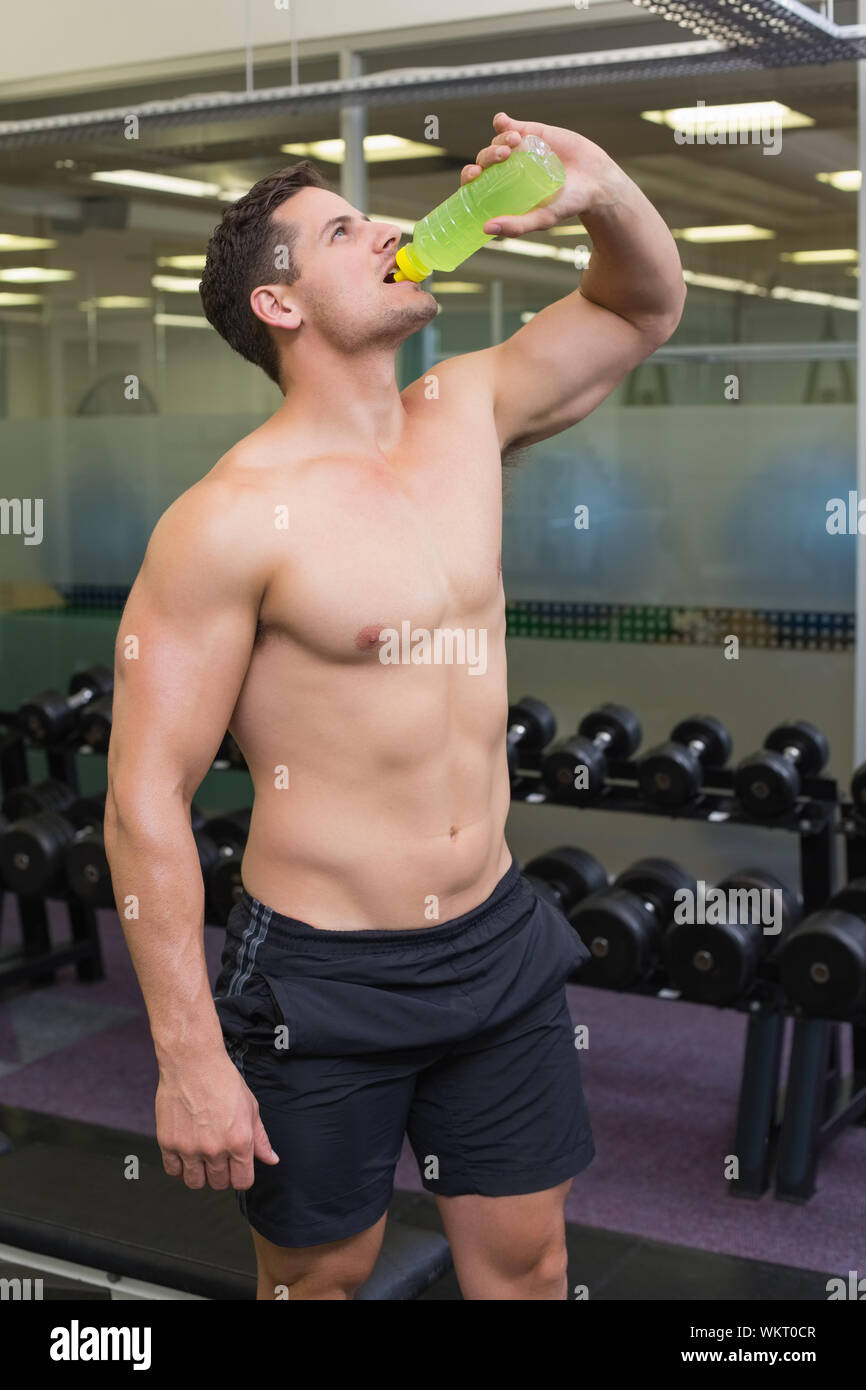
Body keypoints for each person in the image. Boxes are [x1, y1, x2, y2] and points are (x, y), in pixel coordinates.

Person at [104, 110, 685, 1300]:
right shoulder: (224, 521)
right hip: (323, 972)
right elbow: (143, 797)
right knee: (320, 1280)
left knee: (527, 1267)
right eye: (339, 231)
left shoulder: (464, 411)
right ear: (278, 304)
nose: (386, 232)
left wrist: (599, 188)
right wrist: (188, 1054)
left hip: (494, 936)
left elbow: (638, 310)